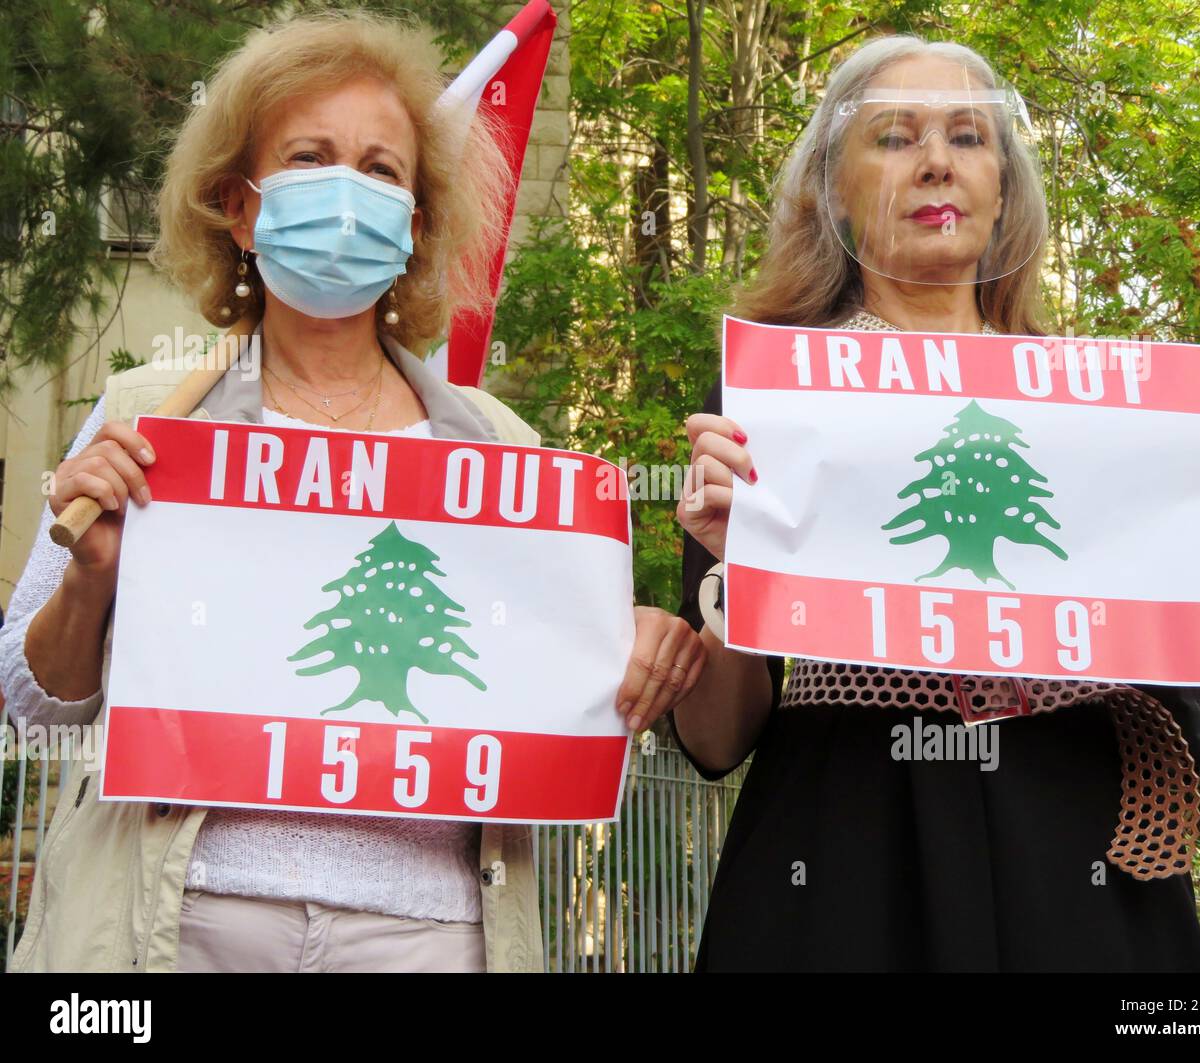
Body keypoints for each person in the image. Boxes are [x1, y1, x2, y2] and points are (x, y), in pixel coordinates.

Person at [0, 10, 704, 973]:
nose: (344, 190)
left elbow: (558, 687)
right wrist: (92, 579)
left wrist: (635, 645)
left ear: (414, 223)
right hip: (178, 927)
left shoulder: (504, 450)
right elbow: (32, 702)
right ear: (240, 209)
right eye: (308, 156)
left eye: (380, 170)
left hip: (431, 936)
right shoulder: (148, 418)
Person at [663, 35, 1200, 971]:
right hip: (856, 855)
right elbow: (717, 736)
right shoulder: (772, 407)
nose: (935, 162)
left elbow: (1185, 710)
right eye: (893, 137)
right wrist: (728, 568)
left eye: (968, 136)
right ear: (832, 190)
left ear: (1004, 190)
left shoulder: (1108, 413)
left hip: (1083, 857)